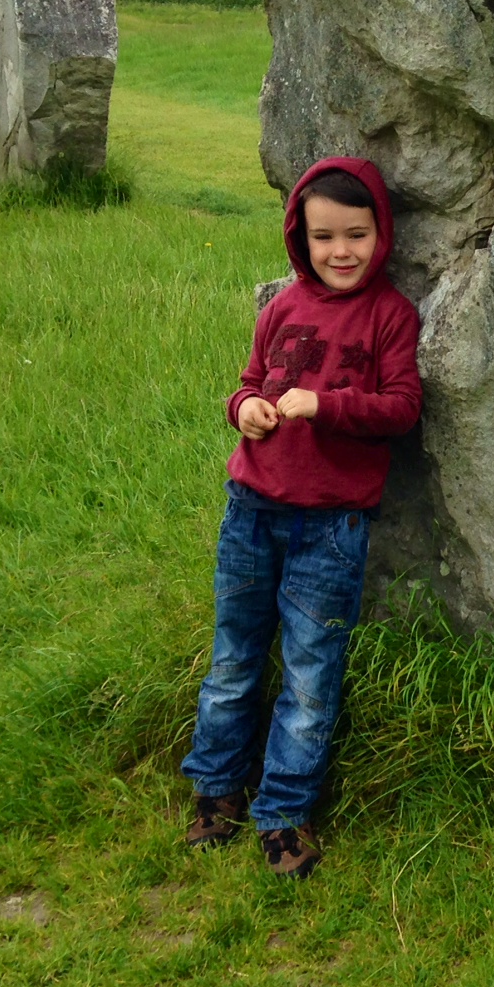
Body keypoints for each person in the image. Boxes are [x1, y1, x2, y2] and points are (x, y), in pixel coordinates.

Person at [179, 156, 422, 878]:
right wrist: (244, 409)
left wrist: (326, 405)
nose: (341, 251)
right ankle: (216, 787)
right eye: (323, 237)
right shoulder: (282, 308)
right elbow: (250, 384)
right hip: (251, 511)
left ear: (381, 233)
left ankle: (284, 811)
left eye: (356, 235)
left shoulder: (390, 316)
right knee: (233, 657)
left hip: (331, 527)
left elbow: (403, 408)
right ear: (299, 237)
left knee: (311, 675)